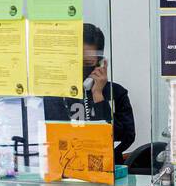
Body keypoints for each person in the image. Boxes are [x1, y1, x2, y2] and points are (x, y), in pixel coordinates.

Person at [43, 22, 136, 164]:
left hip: (105, 170)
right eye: (75, 62)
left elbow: (125, 137)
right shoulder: (55, 94)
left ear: (100, 63)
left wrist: (98, 96)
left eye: (87, 63)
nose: (80, 69)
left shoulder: (116, 93)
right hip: (65, 168)